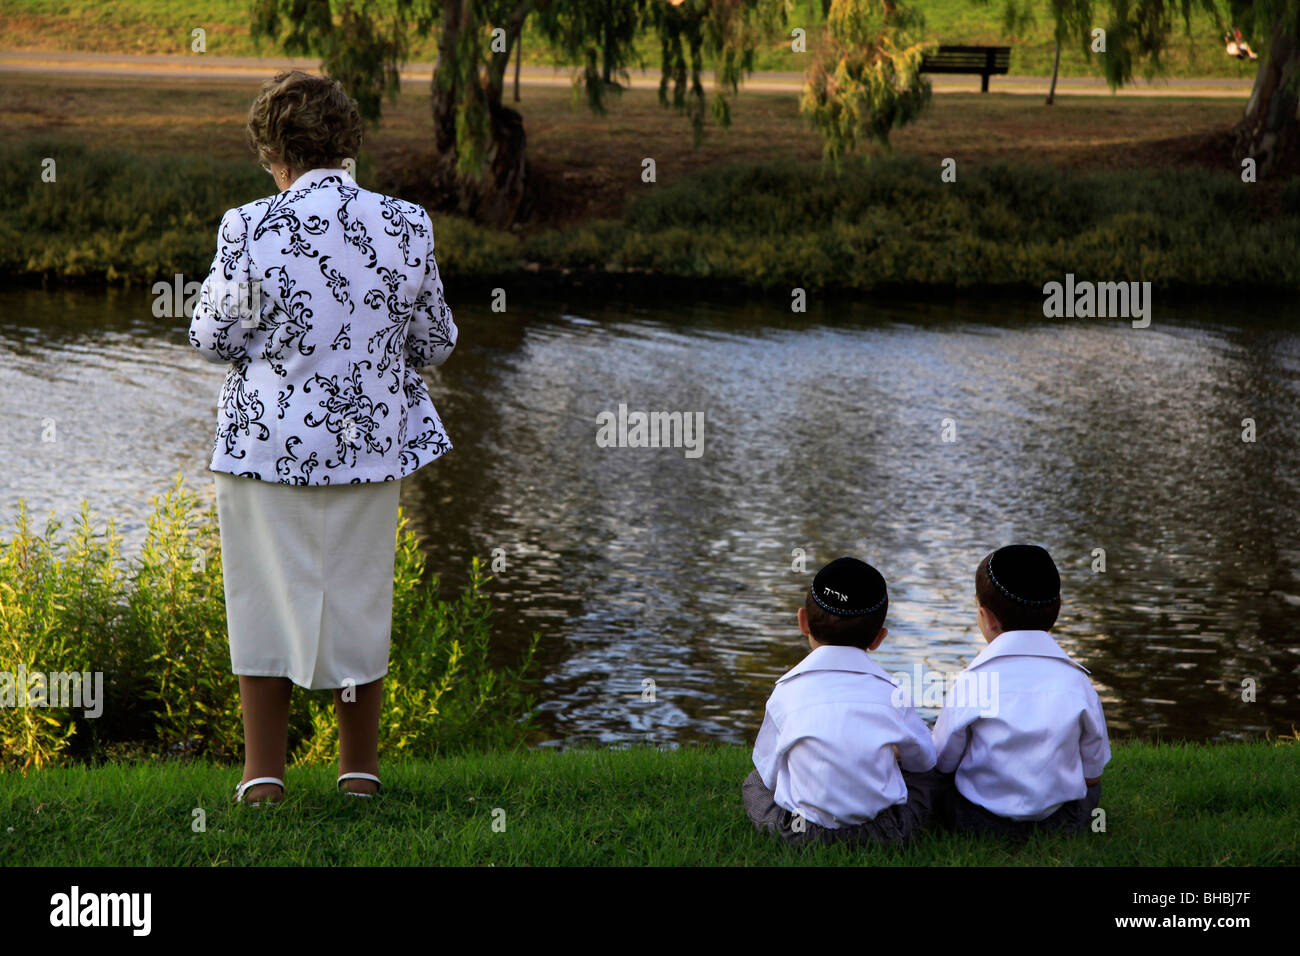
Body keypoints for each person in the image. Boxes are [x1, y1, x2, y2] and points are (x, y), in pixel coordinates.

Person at [188, 70, 458, 806]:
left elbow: (212, 335)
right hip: (370, 447)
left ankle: (262, 777)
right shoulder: (407, 224)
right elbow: (434, 341)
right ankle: (359, 774)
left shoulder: (249, 225)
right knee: (360, 602)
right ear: (348, 143)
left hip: (263, 445)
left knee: (261, 600)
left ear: (275, 152)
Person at [743, 557, 944, 847]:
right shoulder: (893, 693)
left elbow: (768, 772)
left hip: (799, 833)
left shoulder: (786, 691)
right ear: (878, 638)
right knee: (926, 779)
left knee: (754, 783)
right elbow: (924, 760)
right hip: (886, 831)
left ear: (802, 621)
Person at [930, 545, 1110, 840]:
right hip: (1063, 821)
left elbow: (944, 761)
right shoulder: (1077, 682)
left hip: (977, 820)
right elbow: (1094, 772)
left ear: (987, 618)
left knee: (930, 778)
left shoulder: (974, 680)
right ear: (1058, 607)